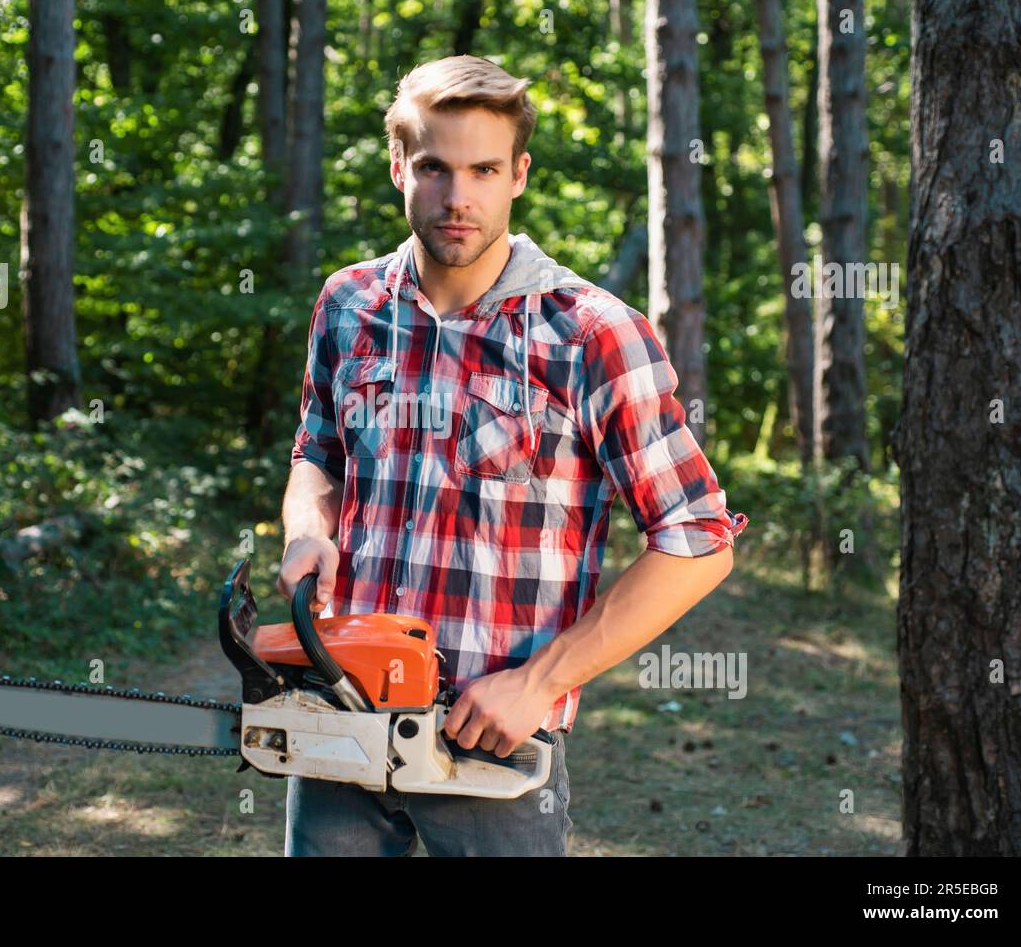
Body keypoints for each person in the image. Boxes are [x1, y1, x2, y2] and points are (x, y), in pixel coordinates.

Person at [277, 54, 748, 856]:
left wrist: (539, 682)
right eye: (433, 167)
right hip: (340, 712)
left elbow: (698, 539)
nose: (458, 197)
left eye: (483, 169)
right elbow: (315, 453)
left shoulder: (590, 332)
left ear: (519, 174)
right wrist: (305, 528)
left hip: (489, 746)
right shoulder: (349, 304)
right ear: (398, 166)